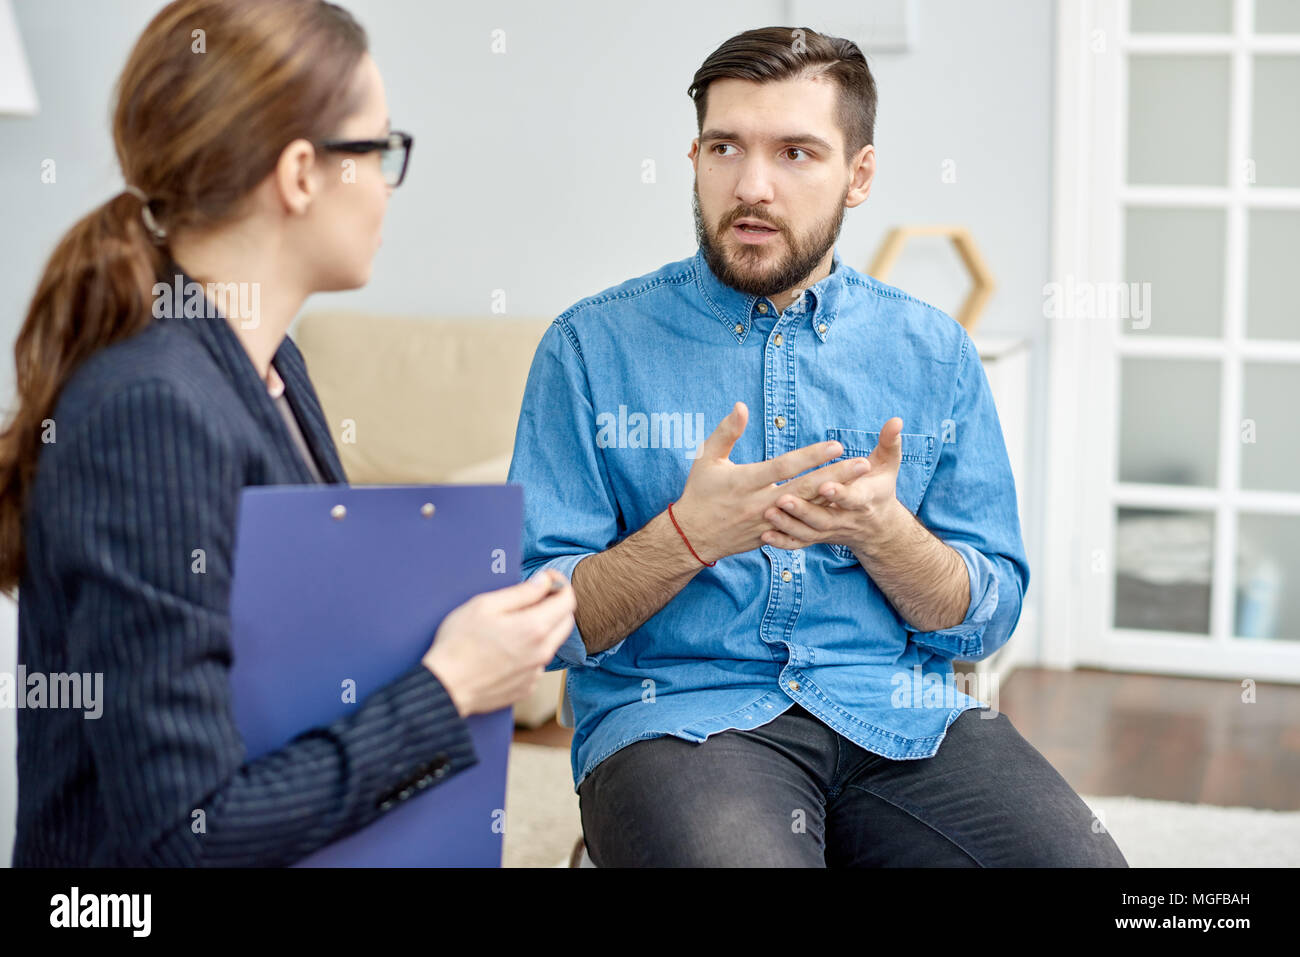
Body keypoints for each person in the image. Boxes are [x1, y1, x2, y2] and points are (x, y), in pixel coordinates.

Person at [507, 26, 1128, 866]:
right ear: (693, 156)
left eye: (796, 152)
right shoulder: (588, 349)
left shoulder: (934, 352)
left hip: (898, 714)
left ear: (858, 174)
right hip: (681, 718)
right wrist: (687, 538)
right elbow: (538, 621)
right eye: (726, 147)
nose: (752, 185)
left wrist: (885, 535)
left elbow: (987, 616)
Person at [0, 0, 574, 867]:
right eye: (379, 151)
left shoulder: (275, 367)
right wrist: (451, 686)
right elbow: (184, 836)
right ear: (301, 173)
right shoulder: (149, 410)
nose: (387, 183)